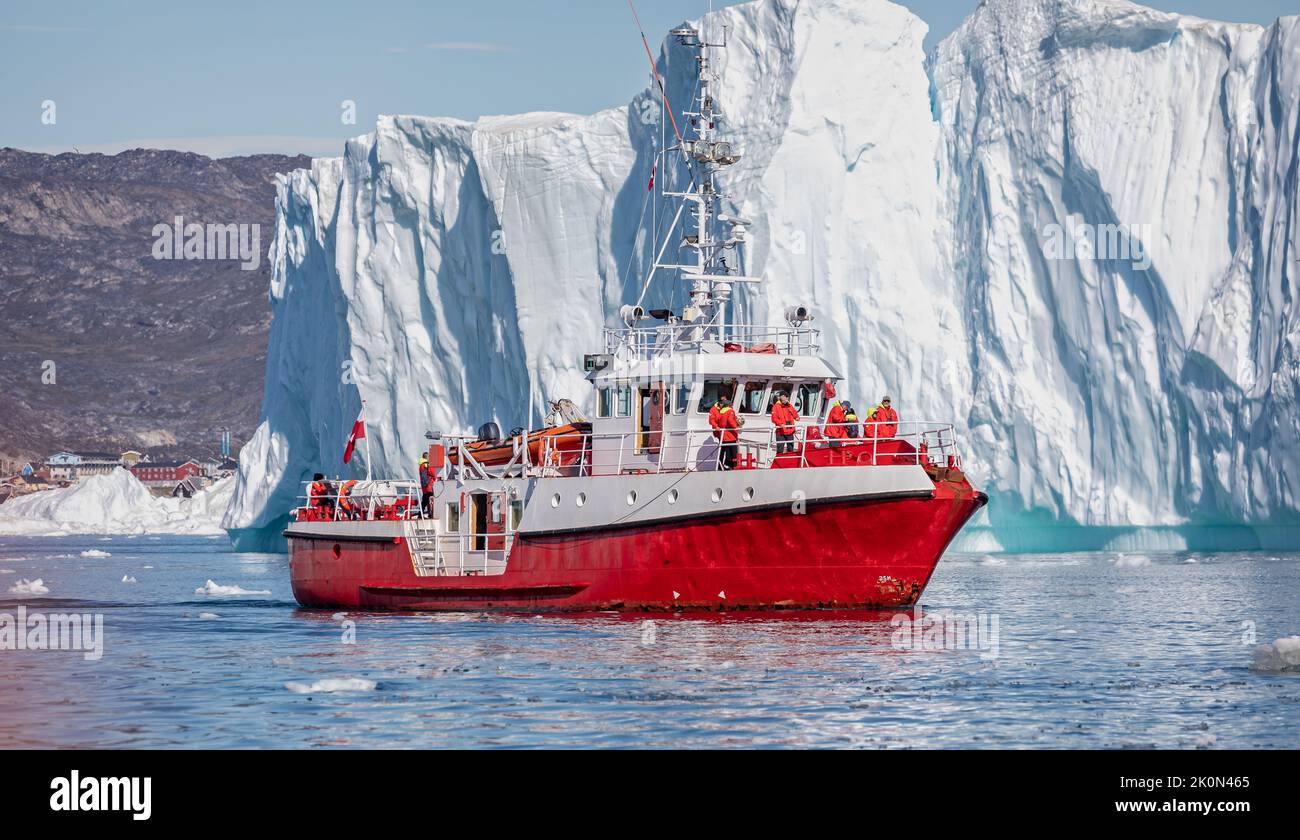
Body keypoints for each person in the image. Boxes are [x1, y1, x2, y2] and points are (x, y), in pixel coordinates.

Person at [711, 397, 741, 469]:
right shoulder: (730, 411)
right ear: (729, 405)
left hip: (723, 435)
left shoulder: (721, 412)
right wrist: (736, 427)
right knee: (733, 451)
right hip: (730, 435)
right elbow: (730, 420)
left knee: (724, 450)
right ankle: (734, 465)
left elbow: (718, 421)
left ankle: (720, 465)